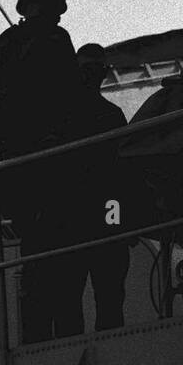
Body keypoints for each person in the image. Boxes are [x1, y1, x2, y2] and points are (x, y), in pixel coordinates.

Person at [0, 0, 87, 342]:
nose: (59, 14)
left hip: (21, 165)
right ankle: (57, 333)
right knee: (59, 259)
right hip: (49, 165)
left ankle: (38, 334)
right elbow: (68, 97)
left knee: (35, 258)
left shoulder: (7, 45)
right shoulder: (53, 41)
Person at [73, 43, 131, 329]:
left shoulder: (58, 116)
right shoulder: (112, 116)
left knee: (68, 303)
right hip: (105, 220)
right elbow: (124, 172)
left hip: (72, 220)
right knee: (109, 302)